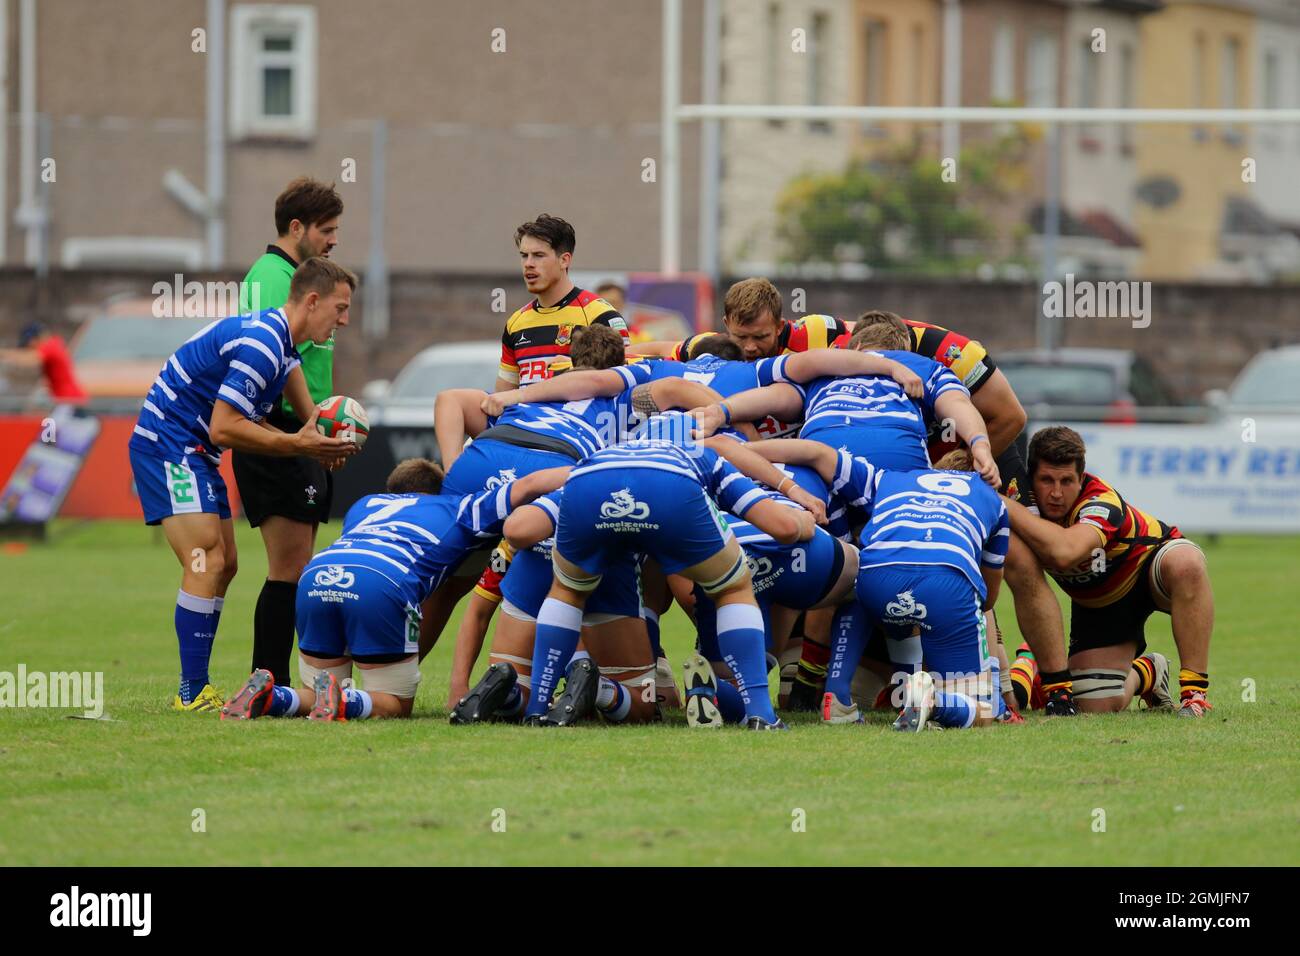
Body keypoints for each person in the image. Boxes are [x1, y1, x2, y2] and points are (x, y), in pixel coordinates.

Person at [127, 257, 359, 712]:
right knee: (206, 560)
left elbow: (299, 418)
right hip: (168, 445)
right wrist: (300, 444)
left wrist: (317, 433)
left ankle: (197, 687)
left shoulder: (284, 345)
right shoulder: (264, 346)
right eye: (340, 308)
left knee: (226, 563)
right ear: (312, 301)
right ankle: (191, 691)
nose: (345, 320)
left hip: (195, 451)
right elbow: (223, 428)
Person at [525, 414, 819, 730]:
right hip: (670, 485)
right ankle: (761, 714)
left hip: (590, 486)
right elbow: (783, 528)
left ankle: (536, 709)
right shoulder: (702, 454)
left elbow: (520, 527)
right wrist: (804, 521)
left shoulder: (601, 455)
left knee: (567, 591)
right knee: (732, 587)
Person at [220, 458, 570, 722]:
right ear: (436, 491)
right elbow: (528, 486)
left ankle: (274, 696)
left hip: (318, 576)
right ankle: (346, 701)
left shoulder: (366, 504)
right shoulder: (458, 505)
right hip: (381, 581)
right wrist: (589, 471)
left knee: (317, 692)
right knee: (393, 703)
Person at [1002, 426, 1214, 717]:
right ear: (1031, 478)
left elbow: (1064, 554)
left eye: (1067, 481)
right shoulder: (1022, 501)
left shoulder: (1100, 502)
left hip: (1149, 571)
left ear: (1081, 479)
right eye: (1046, 480)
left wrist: (1005, 507)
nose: (1055, 492)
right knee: (1095, 706)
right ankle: (1149, 671)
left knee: (1187, 562)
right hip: (1100, 604)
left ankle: (1194, 695)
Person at [230, 177, 345, 693]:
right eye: (326, 230)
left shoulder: (286, 274)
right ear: (295, 228)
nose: (334, 240)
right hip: (279, 426)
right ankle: (269, 682)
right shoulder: (274, 277)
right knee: (289, 568)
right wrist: (308, 426)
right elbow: (280, 357)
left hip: (297, 427)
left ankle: (283, 682)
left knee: (297, 567)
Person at [495, 215, 630, 393]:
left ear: (564, 260)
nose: (528, 264)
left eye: (538, 255)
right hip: (522, 420)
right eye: (524, 256)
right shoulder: (516, 322)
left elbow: (625, 383)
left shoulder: (600, 314)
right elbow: (502, 397)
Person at [0, 323, 88, 400]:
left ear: (34, 339)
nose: (29, 348)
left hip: (70, 401)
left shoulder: (50, 345)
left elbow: (31, 359)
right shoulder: (53, 344)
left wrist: (3, 354)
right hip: (68, 401)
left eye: (28, 344)